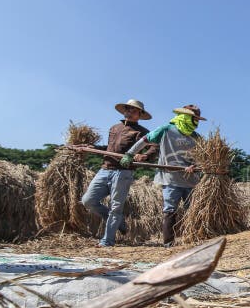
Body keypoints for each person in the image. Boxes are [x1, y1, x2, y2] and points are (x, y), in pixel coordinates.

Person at [123, 104, 206, 246]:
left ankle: (193, 240)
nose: (196, 122)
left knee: (193, 210)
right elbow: (144, 140)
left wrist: (196, 166)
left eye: (197, 120)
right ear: (185, 117)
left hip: (191, 181)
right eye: (194, 119)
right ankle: (168, 243)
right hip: (170, 178)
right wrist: (129, 154)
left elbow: (204, 158)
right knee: (170, 210)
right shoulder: (167, 130)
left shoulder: (197, 137)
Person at [81, 99, 157, 247]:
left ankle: (107, 241)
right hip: (105, 169)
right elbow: (109, 148)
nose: (129, 112)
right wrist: (91, 147)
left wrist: (145, 156)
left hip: (123, 173)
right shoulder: (114, 128)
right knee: (88, 201)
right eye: (127, 109)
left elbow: (154, 146)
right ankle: (119, 221)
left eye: (133, 110)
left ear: (139, 115)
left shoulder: (142, 132)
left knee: (116, 207)